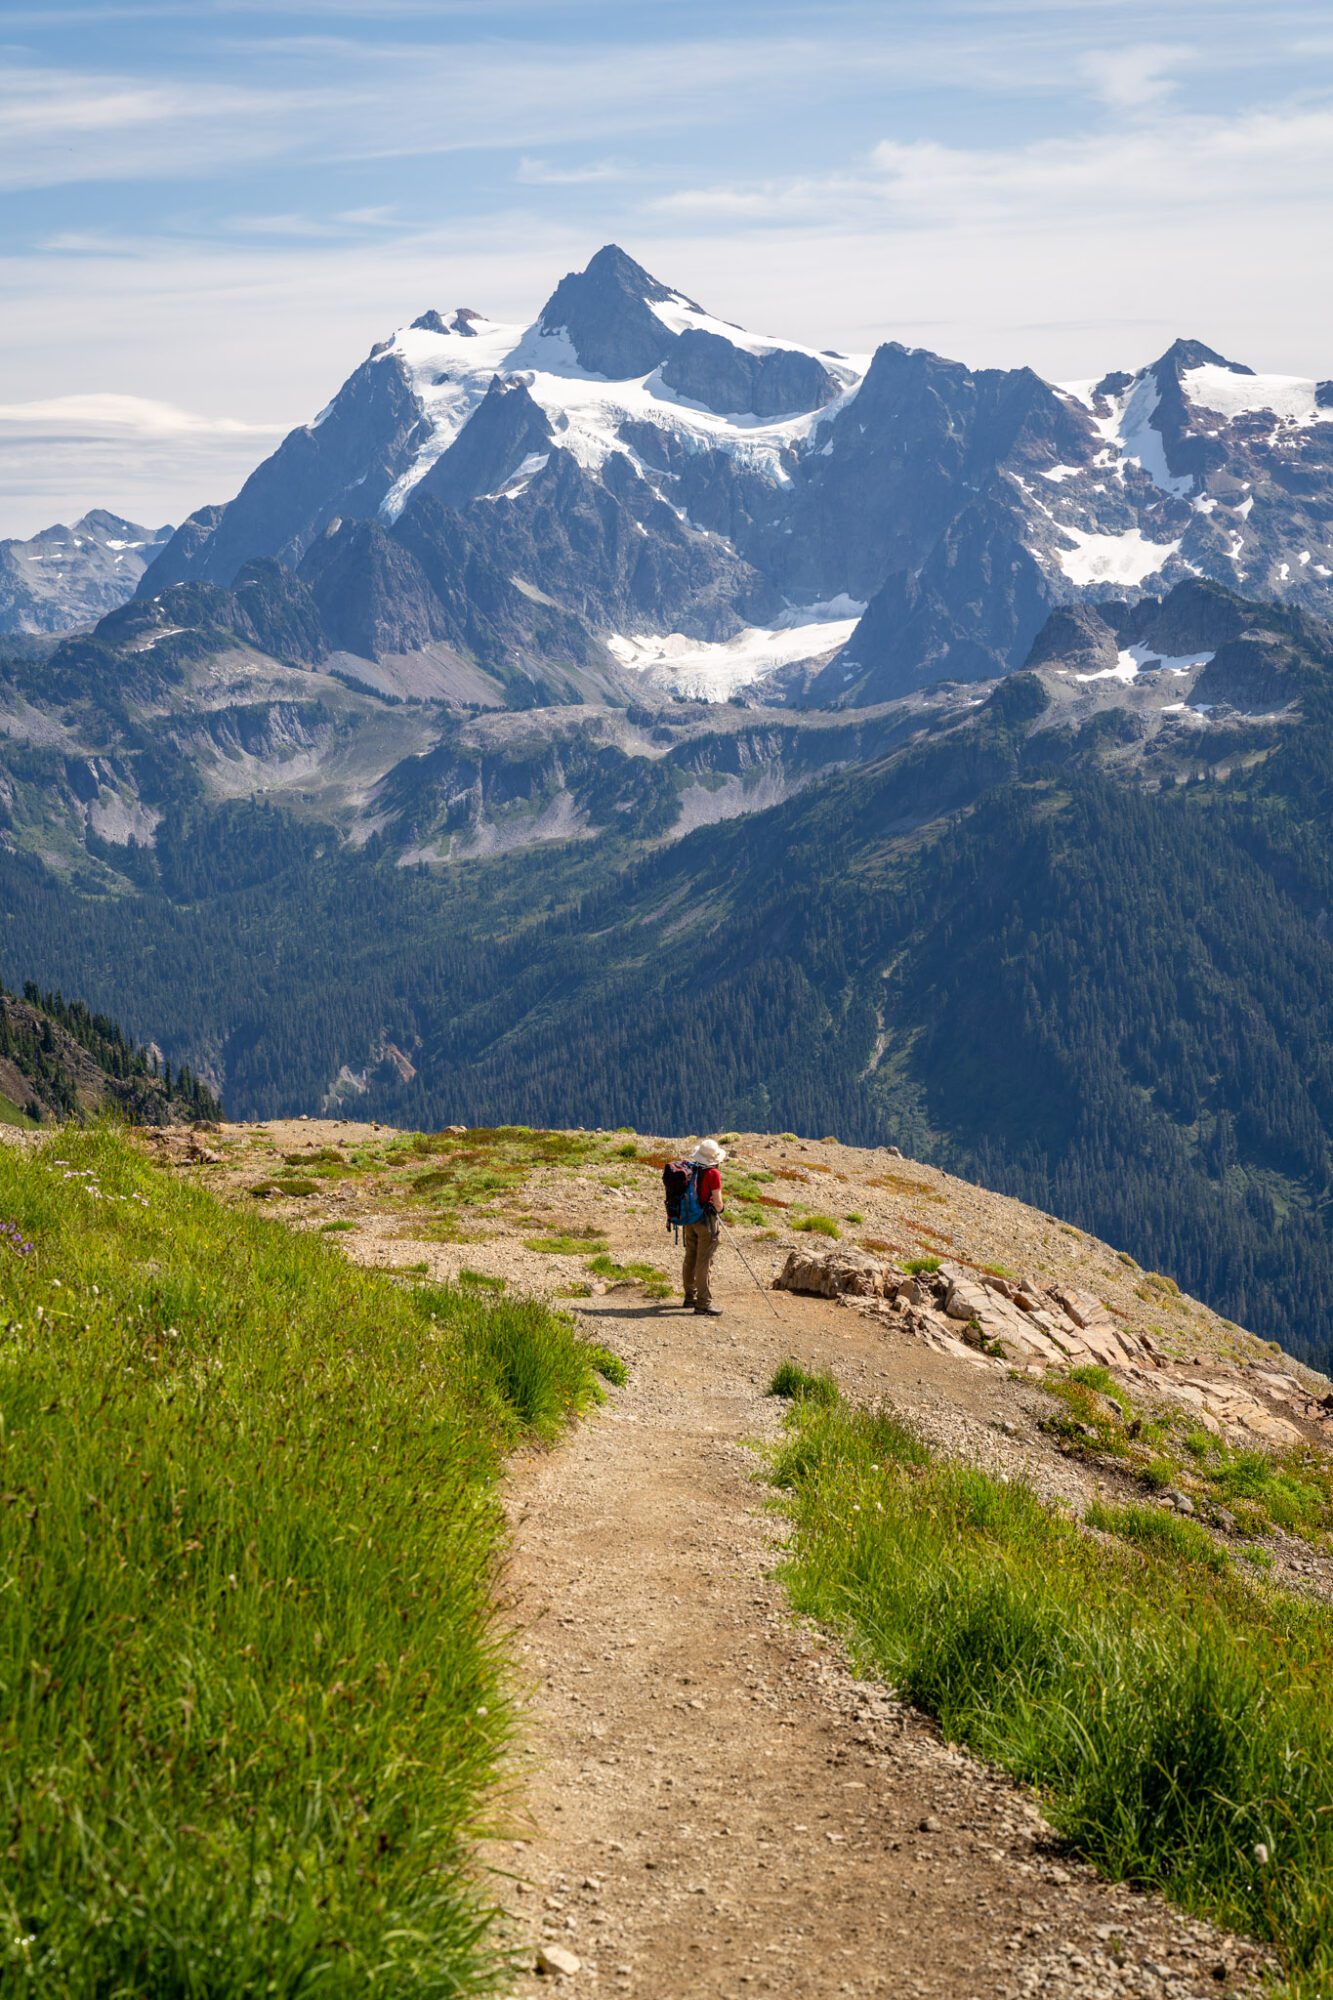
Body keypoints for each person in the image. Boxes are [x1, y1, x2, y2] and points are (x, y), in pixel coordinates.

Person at [681, 1137, 726, 1316]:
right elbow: (718, 1203)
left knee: (690, 1257)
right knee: (703, 1262)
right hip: (705, 1222)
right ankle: (703, 1303)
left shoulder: (692, 1169)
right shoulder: (713, 1174)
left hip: (689, 1219)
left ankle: (689, 1297)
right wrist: (721, 1208)